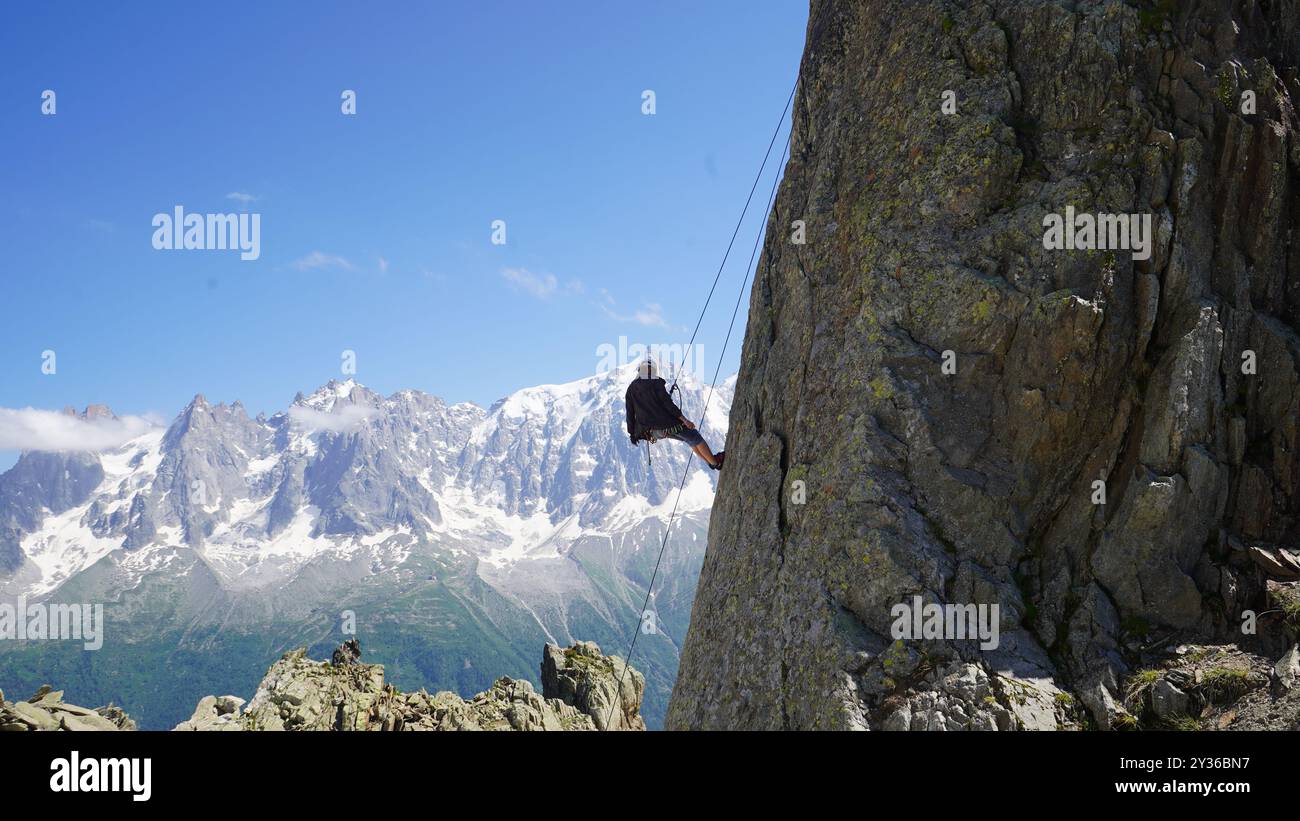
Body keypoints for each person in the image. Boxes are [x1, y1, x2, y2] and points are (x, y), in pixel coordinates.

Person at [625, 360, 724, 470]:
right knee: (694, 437)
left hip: (651, 433)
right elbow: (667, 404)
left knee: (689, 439)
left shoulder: (630, 390)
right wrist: (684, 420)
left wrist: (632, 435)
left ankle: (710, 462)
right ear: (649, 369)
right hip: (665, 425)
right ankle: (715, 462)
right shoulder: (655, 382)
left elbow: (630, 414)